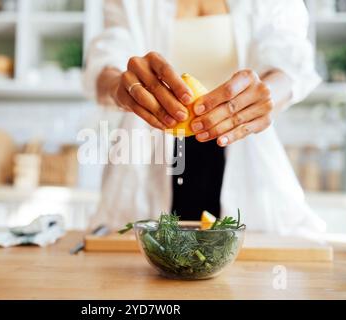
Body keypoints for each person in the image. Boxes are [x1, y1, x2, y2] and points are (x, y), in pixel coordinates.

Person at [84, 0, 326, 235]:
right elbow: (107, 59)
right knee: (139, 264)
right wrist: (121, 86)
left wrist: (267, 95)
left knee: (247, 265)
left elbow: (290, 61)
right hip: (149, 163)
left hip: (243, 158)